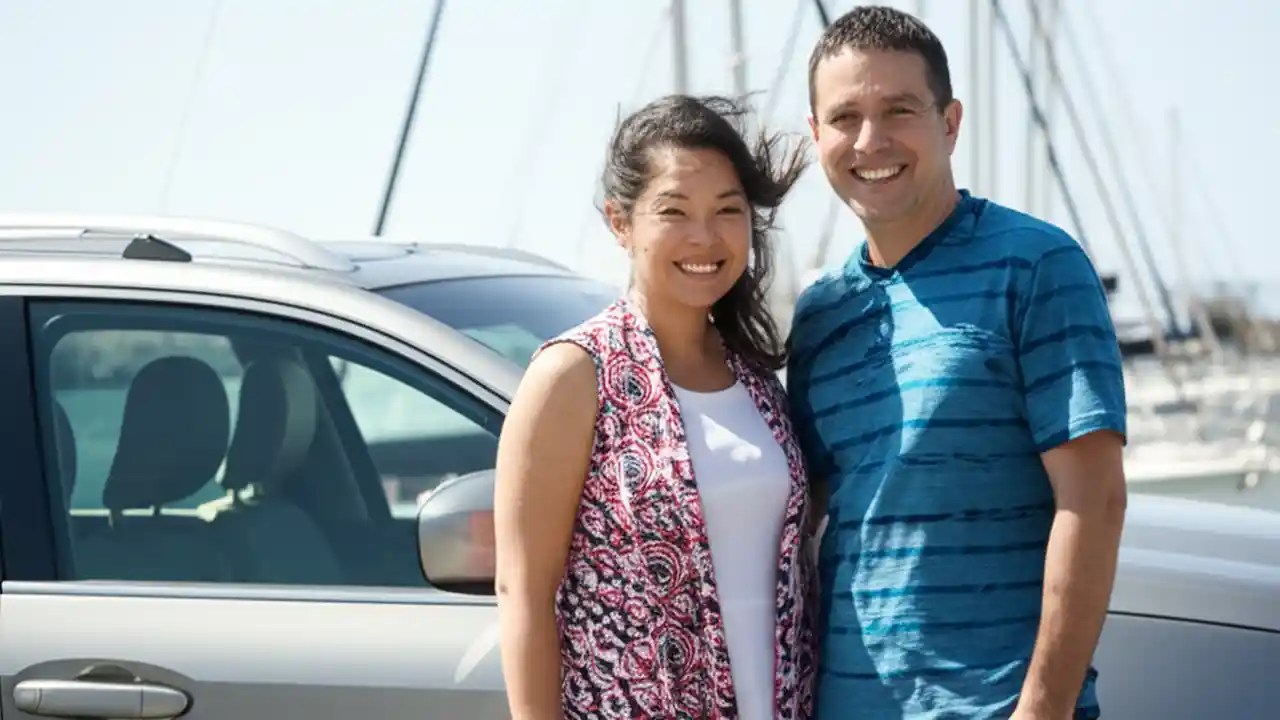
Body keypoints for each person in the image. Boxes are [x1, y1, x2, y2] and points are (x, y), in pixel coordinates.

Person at [787, 7, 1128, 720]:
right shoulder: (820, 313)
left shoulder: (1037, 265)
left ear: (950, 121)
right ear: (816, 135)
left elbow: (1094, 502)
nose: (870, 140)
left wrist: (1043, 709)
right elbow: (812, 519)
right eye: (845, 116)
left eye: (899, 109)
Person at [494, 94, 818, 720]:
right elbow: (523, 595)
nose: (705, 236)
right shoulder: (574, 374)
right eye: (675, 211)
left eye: (728, 210)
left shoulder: (758, 382)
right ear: (621, 222)